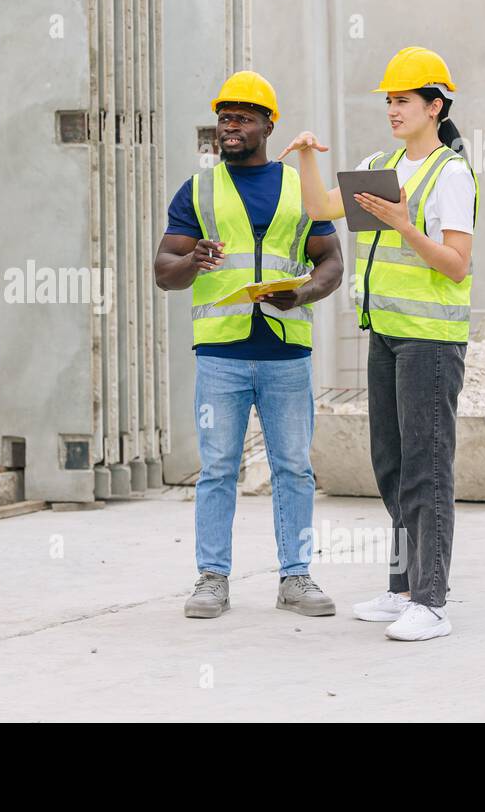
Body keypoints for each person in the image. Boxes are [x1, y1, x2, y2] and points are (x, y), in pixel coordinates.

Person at [279, 46, 478, 641]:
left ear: (435, 106)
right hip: (387, 334)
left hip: (431, 340)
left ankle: (432, 601)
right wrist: (309, 159)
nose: (392, 109)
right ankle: (401, 590)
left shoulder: (451, 173)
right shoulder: (382, 162)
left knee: (427, 469)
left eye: (403, 100)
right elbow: (320, 208)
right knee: (390, 465)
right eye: (389, 99)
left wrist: (402, 224)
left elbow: (457, 265)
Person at [154, 70, 343, 619]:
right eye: (224, 118)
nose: (229, 127)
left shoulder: (296, 189)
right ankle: (212, 578)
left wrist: (303, 292)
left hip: (287, 352)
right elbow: (164, 270)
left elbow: (330, 261)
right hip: (221, 355)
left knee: (294, 468)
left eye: (241, 118)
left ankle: (296, 578)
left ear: (267, 125)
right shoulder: (199, 189)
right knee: (217, 469)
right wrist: (191, 261)